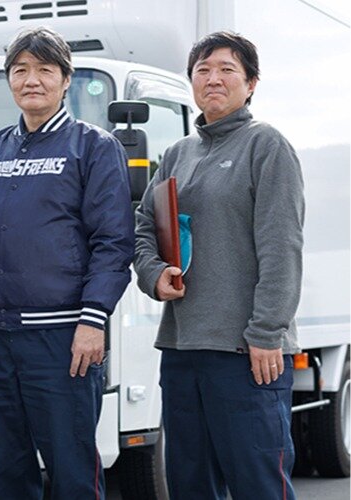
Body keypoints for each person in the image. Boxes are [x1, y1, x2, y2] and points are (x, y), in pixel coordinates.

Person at [0, 27, 134, 499]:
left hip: (62, 341)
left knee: (72, 472)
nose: (32, 80)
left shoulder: (93, 147)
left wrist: (94, 319)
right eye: (20, 70)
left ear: (66, 79)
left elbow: (113, 241)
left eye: (45, 70)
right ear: (9, 79)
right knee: (3, 474)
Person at [133, 31, 303, 499]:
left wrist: (266, 332)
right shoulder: (177, 154)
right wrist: (153, 275)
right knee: (190, 484)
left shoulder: (266, 145)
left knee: (258, 484)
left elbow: (282, 246)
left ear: (251, 84)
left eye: (227, 69)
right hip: (182, 348)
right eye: (203, 70)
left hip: (245, 352)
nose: (213, 79)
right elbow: (144, 227)